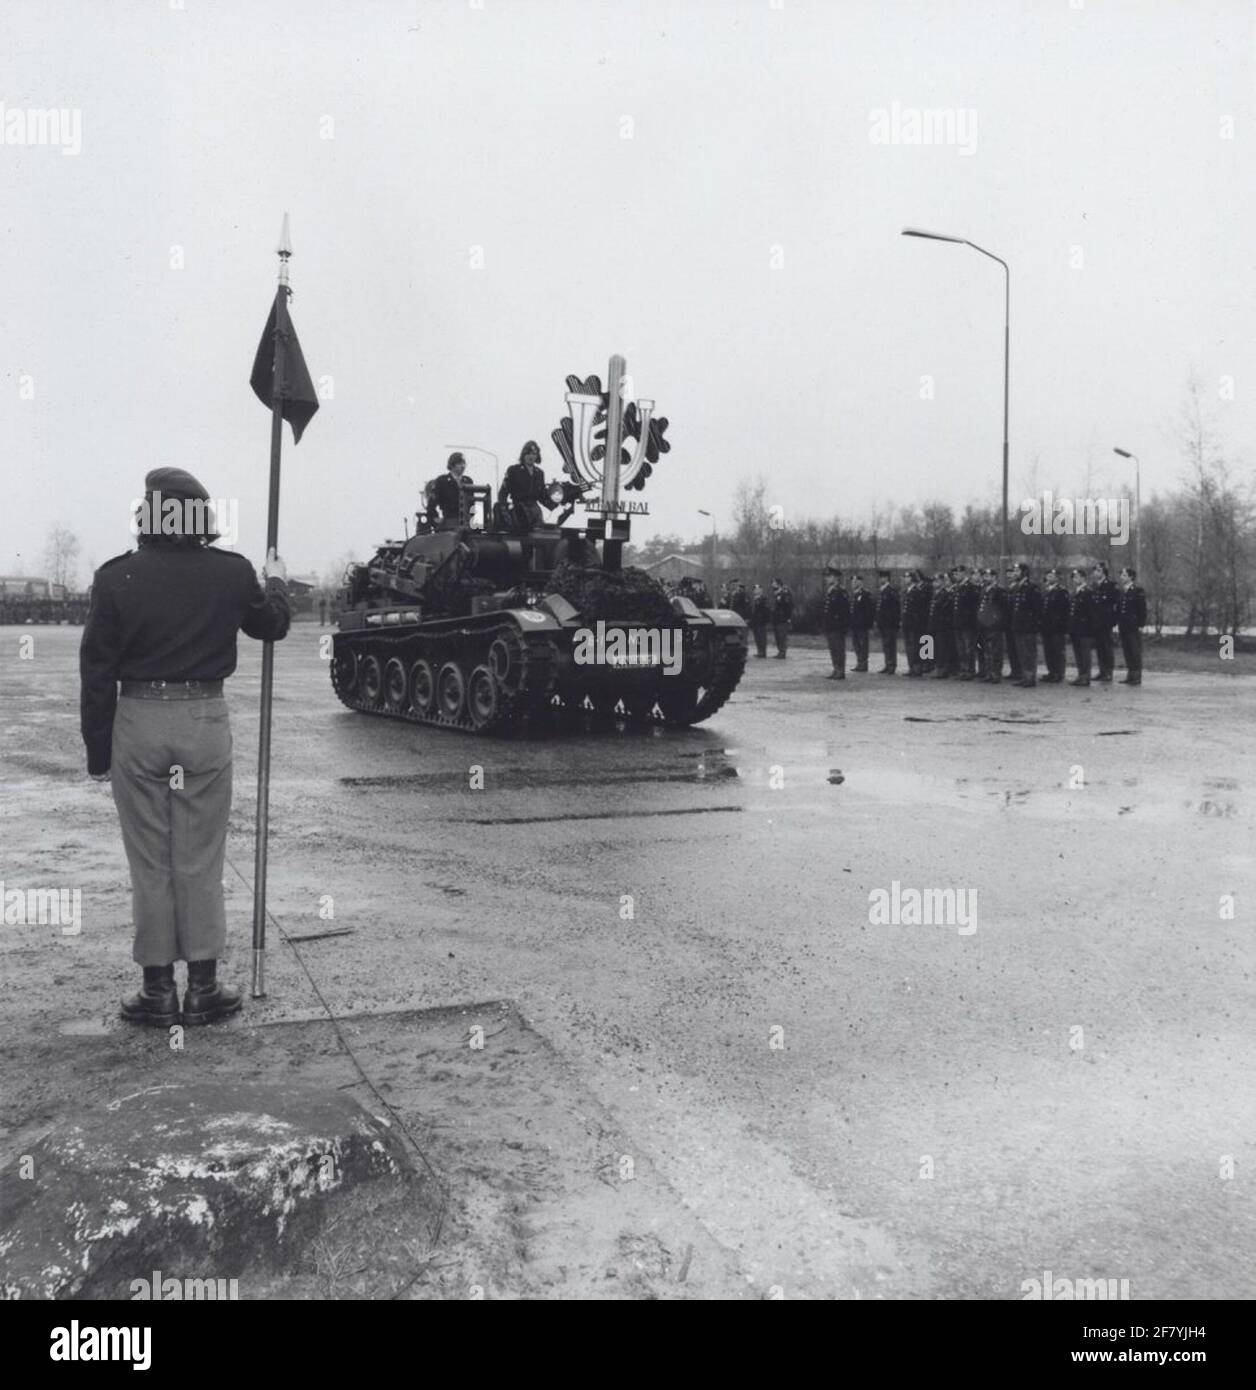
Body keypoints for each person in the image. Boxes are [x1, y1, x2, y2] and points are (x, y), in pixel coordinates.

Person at [80, 467, 291, 1028]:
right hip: (202, 718)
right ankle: (203, 988)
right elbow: (271, 626)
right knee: (199, 858)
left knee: (151, 861)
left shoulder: (115, 578)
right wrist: (276, 581)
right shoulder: (232, 573)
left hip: (140, 720)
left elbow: (96, 672)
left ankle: (157, 992)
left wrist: (99, 754)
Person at [500, 441, 554, 531]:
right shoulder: (514, 470)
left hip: (535, 510)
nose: (531, 456)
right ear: (523, 454)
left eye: (534, 454)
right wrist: (503, 510)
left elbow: (542, 495)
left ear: (537, 456)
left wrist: (554, 503)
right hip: (519, 510)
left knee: (539, 536)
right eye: (528, 453)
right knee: (523, 537)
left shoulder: (539, 473)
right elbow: (503, 492)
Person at [977, 567, 1009, 683]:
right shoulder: (984, 590)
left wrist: (999, 622)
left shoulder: (999, 590)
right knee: (987, 650)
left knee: (996, 650)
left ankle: (996, 673)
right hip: (985, 624)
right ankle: (989, 672)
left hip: (995, 625)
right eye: (985, 576)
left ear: (994, 577)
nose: (986, 578)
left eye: (989, 576)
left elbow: (1003, 609)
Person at [1089, 562, 1119, 681]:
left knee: (1107, 647)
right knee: (1099, 647)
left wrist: (1113, 620)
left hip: (1106, 621)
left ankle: (1108, 672)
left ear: (1104, 572)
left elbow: (1116, 604)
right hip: (1096, 621)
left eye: (1098, 570)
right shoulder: (1095, 586)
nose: (1096, 573)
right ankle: (1102, 670)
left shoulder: (1111, 585)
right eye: (1095, 571)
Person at [1117, 566, 1147, 685]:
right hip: (1123, 625)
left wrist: (1141, 624)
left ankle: (1136, 675)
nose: (1121, 577)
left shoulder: (1137, 590)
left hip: (1133, 625)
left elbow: (1142, 609)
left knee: (1135, 651)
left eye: (1124, 575)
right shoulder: (1122, 591)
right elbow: (1120, 608)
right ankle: (1130, 674)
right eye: (1121, 575)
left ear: (1131, 577)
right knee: (1127, 651)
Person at [1039, 568, 1070, 683]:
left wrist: (1063, 626)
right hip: (1046, 626)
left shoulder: (1061, 591)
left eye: (1051, 576)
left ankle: (1059, 673)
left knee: (1058, 651)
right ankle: (1051, 671)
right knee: (1048, 650)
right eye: (1048, 576)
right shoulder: (1046, 591)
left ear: (1057, 578)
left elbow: (1064, 610)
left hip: (1057, 627)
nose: (1049, 578)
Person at [429, 451, 474, 523]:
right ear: (452, 465)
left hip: (467, 521)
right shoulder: (442, 481)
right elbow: (431, 504)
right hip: (450, 521)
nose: (463, 466)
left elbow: (472, 503)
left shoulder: (468, 481)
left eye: (464, 463)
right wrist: (435, 518)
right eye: (459, 463)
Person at [952, 565, 980, 680]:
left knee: (969, 648)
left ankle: (969, 670)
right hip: (958, 623)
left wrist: (973, 622)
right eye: (955, 574)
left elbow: (974, 607)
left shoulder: (970, 587)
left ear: (964, 574)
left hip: (968, 624)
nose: (956, 576)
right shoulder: (958, 587)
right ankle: (963, 670)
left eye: (958, 574)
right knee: (961, 648)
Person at [822, 567, 850, 679]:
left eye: (829, 576)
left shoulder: (840, 592)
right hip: (830, 626)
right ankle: (836, 668)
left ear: (835, 578)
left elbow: (844, 611)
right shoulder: (830, 591)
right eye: (827, 577)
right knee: (833, 648)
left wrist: (843, 626)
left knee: (839, 649)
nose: (827, 579)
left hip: (838, 626)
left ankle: (840, 670)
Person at [1067, 567, 1093, 686]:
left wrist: (1090, 627)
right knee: (1078, 652)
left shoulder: (1088, 592)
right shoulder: (1074, 593)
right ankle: (1081, 674)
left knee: (1085, 653)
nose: (1075, 579)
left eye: (1078, 577)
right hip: (1075, 627)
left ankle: (1086, 676)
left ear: (1083, 578)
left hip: (1085, 627)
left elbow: (1091, 612)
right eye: (1074, 577)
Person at [929, 570, 956, 678]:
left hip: (943, 625)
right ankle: (938, 667)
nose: (935, 583)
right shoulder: (937, 594)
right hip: (936, 625)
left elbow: (944, 610)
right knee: (937, 648)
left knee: (942, 649)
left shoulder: (945, 594)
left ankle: (943, 669)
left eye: (938, 581)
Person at [902, 569, 928, 677]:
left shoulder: (917, 591)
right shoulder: (907, 591)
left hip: (914, 624)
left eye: (908, 577)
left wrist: (917, 622)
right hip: (907, 623)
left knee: (915, 646)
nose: (905, 579)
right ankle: (911, 666)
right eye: (905, 577)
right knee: (909, 646)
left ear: (912, 579)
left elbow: (920, 609)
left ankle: (917, 667)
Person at [875, 569, 900, 674]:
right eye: (880, 577)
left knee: (890, 645)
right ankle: (887, 663)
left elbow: (894, 609)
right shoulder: (882, 591)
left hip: (890, 624)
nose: (880, 579)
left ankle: (892, 665)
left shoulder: (890, 591)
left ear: (886, 578)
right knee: (885, 645)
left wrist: (894, 622)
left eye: (882, 577)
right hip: (883, 623)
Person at [849, 573, 874, 671]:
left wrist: (868, 625)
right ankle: (859, 663)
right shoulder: (854, 594)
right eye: (852, 581)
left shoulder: (865, 594)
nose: (853, 583)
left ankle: (864, 664)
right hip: (854, 625)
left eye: (855, 581)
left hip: (862, 625)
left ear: (860, 582)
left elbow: (869, 611)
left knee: (863, 645)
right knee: (856, 644)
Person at [770, 578, 793, 658]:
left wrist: (788, 618)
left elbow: (789, 606)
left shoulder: (784, 592)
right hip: (776, 619)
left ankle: (783, 652)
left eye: (773, 583)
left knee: (782, 636)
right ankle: (780, 651)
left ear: (778, 584)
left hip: (782, 618)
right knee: (777, 636)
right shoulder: (775, 593)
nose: (772, 584)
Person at [749, 583, 770, 658]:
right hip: (755, 621)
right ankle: (759, 651)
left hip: (761, 621)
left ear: (761, 590)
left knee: (762, 637)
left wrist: (765, 620)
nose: (756, 591)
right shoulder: (753, 599)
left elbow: (766, 610)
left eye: (758, 589)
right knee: (757, 637)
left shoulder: (764, 598)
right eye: (755, 589)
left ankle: (763, 652)